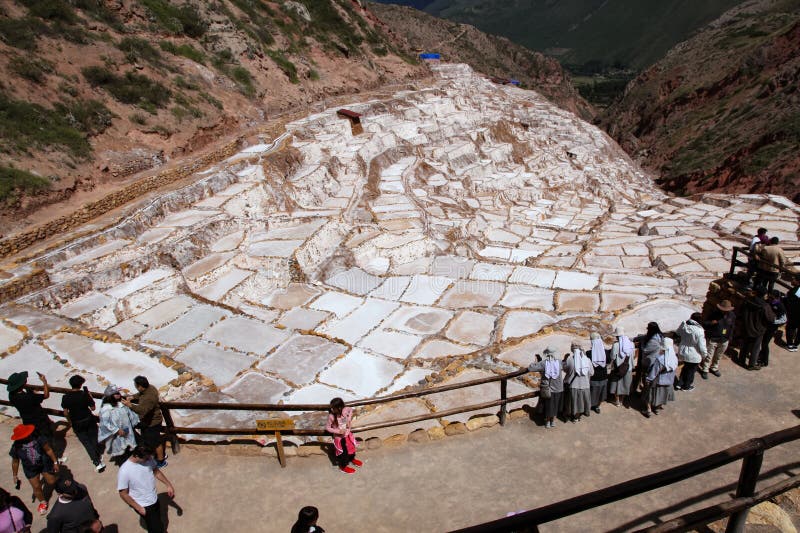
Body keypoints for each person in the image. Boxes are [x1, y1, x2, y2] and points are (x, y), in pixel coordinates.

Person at [117, 445, 175, 533]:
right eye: (146, 458)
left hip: (154, 498)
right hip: (144, 505)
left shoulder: (148, 458)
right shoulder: (124, 471)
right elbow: (123, 494)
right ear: (136, 456)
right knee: (156, 528)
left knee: (157, 522)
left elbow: (156, 472)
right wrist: (139, 508)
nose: (149, 460)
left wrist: (168, 485)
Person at [9, 424, 59, 515]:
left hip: (43, 463)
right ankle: (43, 502)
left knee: (51, 481)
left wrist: (55, 462)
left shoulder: (38, 438)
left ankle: (59, 485)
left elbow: (48, 450)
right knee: (36, 487)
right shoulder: (16, 447)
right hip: (30, 469)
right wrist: (15, 475)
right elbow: (15, 461)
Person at [62, 376, 105, 473]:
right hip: (88, 420)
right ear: (81, 385)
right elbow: (93, 408)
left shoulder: (65, 397)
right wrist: (89, 396)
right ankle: (98, 455)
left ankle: (96, 462)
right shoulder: (84, 395)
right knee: (93, 438)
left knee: (86, 443)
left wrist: (70, 422)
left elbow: (65, 412)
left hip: (76, 422)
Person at [122, 376, 166, 468]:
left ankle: (162, 461)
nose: (135, 387)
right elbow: (140, 394)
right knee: (148, 440)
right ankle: (155, 456)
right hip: (148, 422)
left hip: (153, 422)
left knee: (156, 442)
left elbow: (142, 410)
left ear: (140, 386)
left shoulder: (148, 398)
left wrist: (130, 405)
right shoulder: (150, 388)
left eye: (136, 385)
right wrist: (132, 397)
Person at [7, 371, 54, 443]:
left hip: (27, 420)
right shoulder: (29, 397)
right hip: (39, 420)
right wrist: (44, 381)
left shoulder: (11, 396)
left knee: (35, 438)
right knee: (45, 438)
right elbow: (46, 395)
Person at [97, 385, 139, 462]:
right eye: (116, 394)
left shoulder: (121, 404)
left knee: (130, 450)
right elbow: (105, 423)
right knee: (122, 455)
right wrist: (116, 430)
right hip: (117, 435)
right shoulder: (106, 409)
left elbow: (130, 414)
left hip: (127, 431)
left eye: (118, 393)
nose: (118, 395)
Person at [527, 346, 564, 429]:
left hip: (548, 388)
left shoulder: (544, 363)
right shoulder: (560, 362)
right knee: (556, 404)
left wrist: (535, 362)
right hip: (558, 387)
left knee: (548, 404)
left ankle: (547, 421)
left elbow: (530, 368)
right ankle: (553, 421)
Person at [740, 287, 776, 370]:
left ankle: (741, 360)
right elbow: (771, 319)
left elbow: (741, 310)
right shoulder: (765, 306)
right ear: (763, 295)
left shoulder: (747, 300)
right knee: (755, 348)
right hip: (758, 329)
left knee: (745, 344)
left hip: (746, 326)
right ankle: (752, 365)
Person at [700, 300, 736, 379]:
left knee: (719, 355)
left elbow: (732, 327)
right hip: (713, 338)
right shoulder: (713, 314)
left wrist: (729, 338)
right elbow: (705, 323)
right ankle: (705, 369)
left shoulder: (732, 316)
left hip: (724, 339)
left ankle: (714, 368)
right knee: (709, 355)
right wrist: (711, 323)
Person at [325, 398, 362, 474]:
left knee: (351, 447)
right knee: (344, 453)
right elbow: (328, 428)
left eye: (333, 407)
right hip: (340, 438)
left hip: (348, 434)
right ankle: (343, 466)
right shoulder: (331, 416)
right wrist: (338, 431)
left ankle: (352, 459)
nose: (331, 409)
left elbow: (350, 409)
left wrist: (348, 419)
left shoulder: (344, 410)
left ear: (340, 407)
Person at [642, 338, 677, 418]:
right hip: (669, 382)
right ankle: (657, 409)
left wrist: (648, 379)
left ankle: (648, 410)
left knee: (649, 395)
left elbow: (654, 372)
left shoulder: (660, 359)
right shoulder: (674, 358)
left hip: (658, 381)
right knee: (662, 396)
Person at [676, 313, 707, 391]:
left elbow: (677, 333)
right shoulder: (699, 331)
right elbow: (701, 346)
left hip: (683, 351)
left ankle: (680, 383)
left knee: (685, 367)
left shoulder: (684, 326)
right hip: (694, 354)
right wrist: (704, 355)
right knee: (691, 371)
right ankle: (686, 386)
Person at [563, 343, 593, 423]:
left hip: (574, 385)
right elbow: (592, 372)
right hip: (585, 385)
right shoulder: (587, 360)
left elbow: (565, 369)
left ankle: (574, 417)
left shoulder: (570, 359)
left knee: (574, 402)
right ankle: (578, 416)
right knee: (582, 401)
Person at [759, 290, 787, 367]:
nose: (770, 298)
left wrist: (773, 321)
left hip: (771, 328)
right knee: (762, 341)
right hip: (765, 325)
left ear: (776, 298)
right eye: (770, 296)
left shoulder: (780, 306)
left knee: (765, 343)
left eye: (772, 297)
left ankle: (765, 361)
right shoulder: (769, 302)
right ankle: (761, 354)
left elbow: (784, 319)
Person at [608, 327, 635, 407]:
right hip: (628, 368)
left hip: (618, 368)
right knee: (625, 384)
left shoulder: (616, 345)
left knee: (617, 384)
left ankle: (617, 400)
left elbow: (612, 356)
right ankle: (622, 400)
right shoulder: (631, 344)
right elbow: (632, 356)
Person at [634, 322, 664, 394]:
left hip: (649, 361)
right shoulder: (659, 335)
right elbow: (644, 337)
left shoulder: (653, 340)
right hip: (655, 358)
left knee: (646, 376)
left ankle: (645, 392)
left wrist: (641, 344)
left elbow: (645, 349)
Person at [588, 333, 608, 413]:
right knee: (601, 393)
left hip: (593, 377)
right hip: (604, 376)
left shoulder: (589, 353)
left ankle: (589, 407)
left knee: (592, 393)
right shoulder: (606, 352)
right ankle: (597, 406)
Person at [785, 276, 800, 351]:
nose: (792, 280)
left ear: (798, 281)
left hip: (795, 314)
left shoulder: (794, 291)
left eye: (794, 279)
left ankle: (790, 345)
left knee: (790, 328)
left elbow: (790, 302)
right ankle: (796, 345)